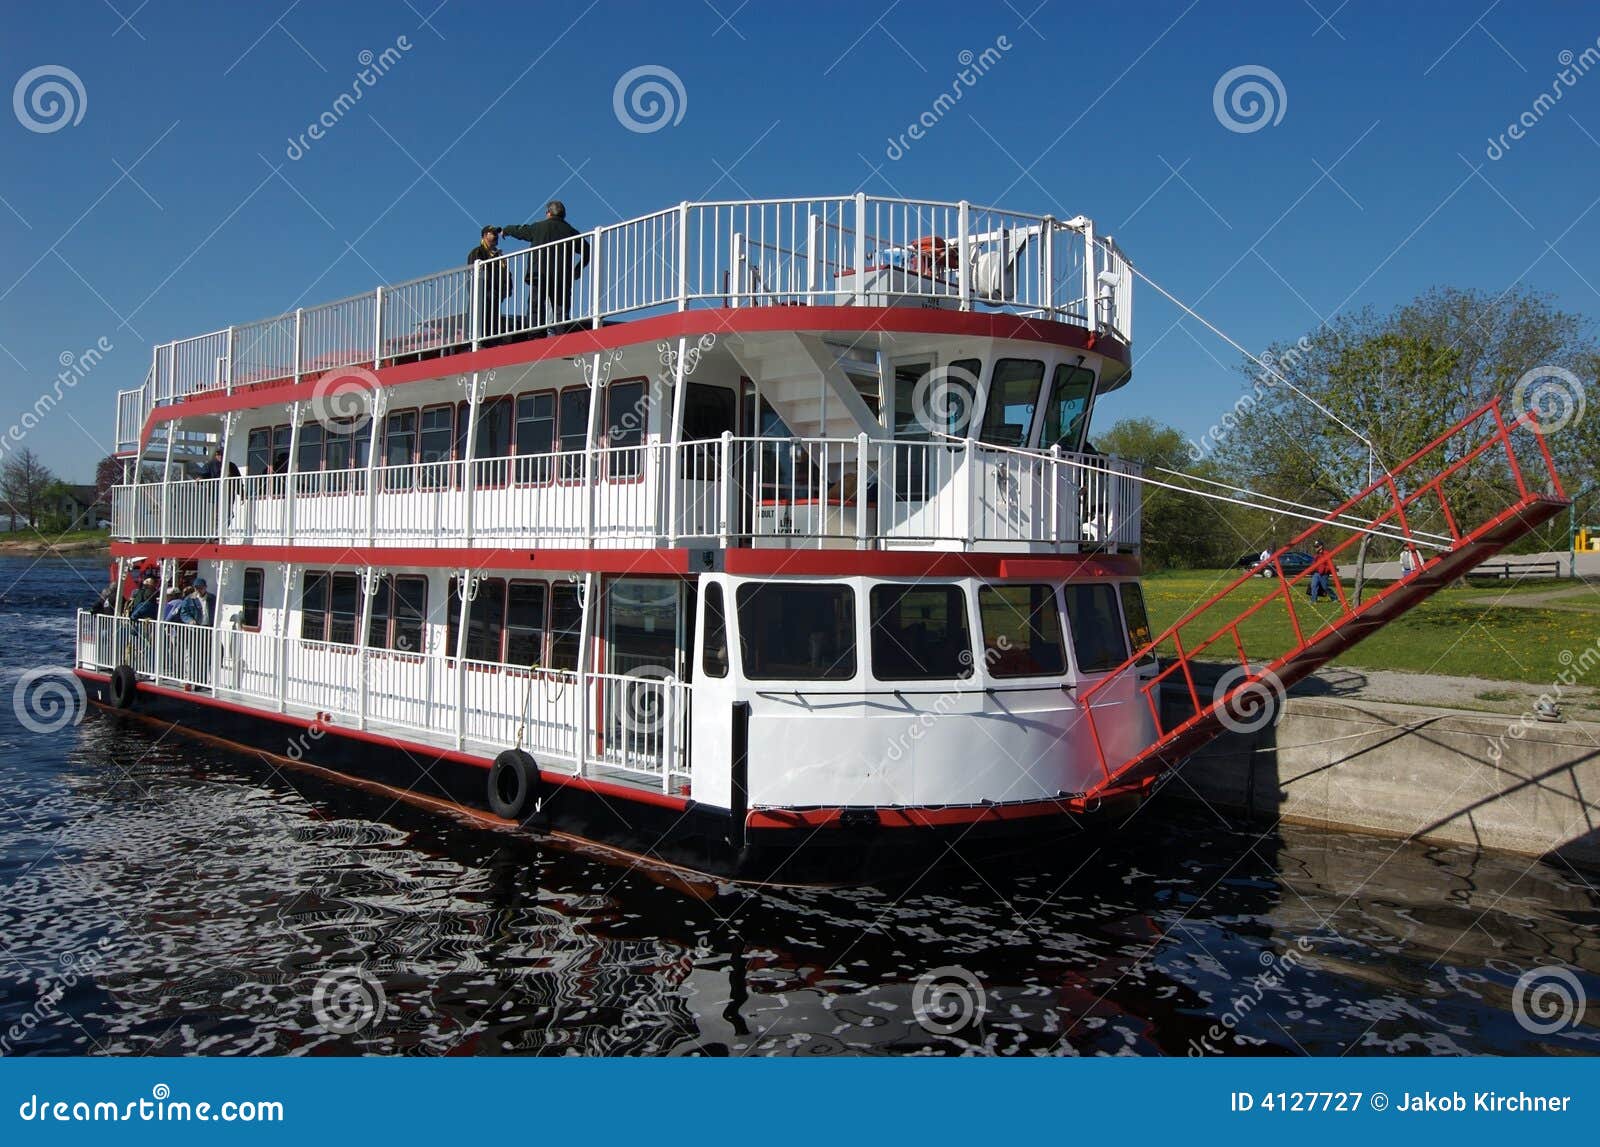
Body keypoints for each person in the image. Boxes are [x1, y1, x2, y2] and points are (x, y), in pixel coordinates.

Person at [502, 201, 592, 333]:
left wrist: (507, 230)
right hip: (561, 276)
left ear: (548, 213)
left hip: (539, 274)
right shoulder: (570, 231)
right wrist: (577, 269)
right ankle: (561, 334)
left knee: (536, 305)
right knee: (561, 308)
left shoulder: (539, 227)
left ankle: (535, 334)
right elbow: (587, 250)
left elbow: (520, 231)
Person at [467, 225, 511, 344]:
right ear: (485, 236)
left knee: (493, 320)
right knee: (480, 319)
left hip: (495, 294)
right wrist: (482, 291)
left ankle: (491, 341)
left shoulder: (499, 255)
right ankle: (478, 343)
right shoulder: (478, 252)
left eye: (496, 234)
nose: (496, 236)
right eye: (493, 233)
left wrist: (507, 288)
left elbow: (506, 273)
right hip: (482, 294)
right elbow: (474, 274)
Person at [1308, 539, 1334, 604]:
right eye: (1315, 547)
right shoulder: (1316, 555)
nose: (1315, 548)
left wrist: (1325, 570)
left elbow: (1329, 564)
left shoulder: (1326, 553)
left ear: (1321, 546)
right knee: (1313, 585)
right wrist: (1312, 570)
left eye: (1317, 546)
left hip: (1324, 574)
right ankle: (1313, 600)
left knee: (1325, 587)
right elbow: (1313, 564)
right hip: (1316, 573)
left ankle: (1334, 598)